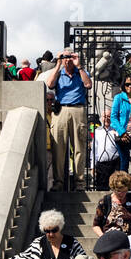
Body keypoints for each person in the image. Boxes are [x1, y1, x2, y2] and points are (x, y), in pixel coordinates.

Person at [46, 50, 93, 189]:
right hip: (61, 110)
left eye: (70, 57)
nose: (68, 60)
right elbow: (50, 84)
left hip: (78, 109)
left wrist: (79, 66)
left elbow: (88, 85)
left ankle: (79, 182)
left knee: (79, 147)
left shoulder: (81, 72)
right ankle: (59, 182)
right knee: (58, 147)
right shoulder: (59, 73)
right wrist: (58, 64)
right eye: (65, 57)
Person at [91, 170, 131, 236]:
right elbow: (96, 225)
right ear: (113, 188)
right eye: (118, 191)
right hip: (109, 240)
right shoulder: (104, 202)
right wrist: (103, 237)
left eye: (125, 191)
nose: (122, 194)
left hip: (129, 240)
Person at [92, 108, 121, 190]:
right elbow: (94, 150)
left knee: (115, 189)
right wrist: (92, 166)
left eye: (109, 116)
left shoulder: (116, 130)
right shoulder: (97, 131)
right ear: (101, 118)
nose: (106, 119)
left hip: (114, 164)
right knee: (101, 189)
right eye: (104, 116)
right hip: (101, 165)